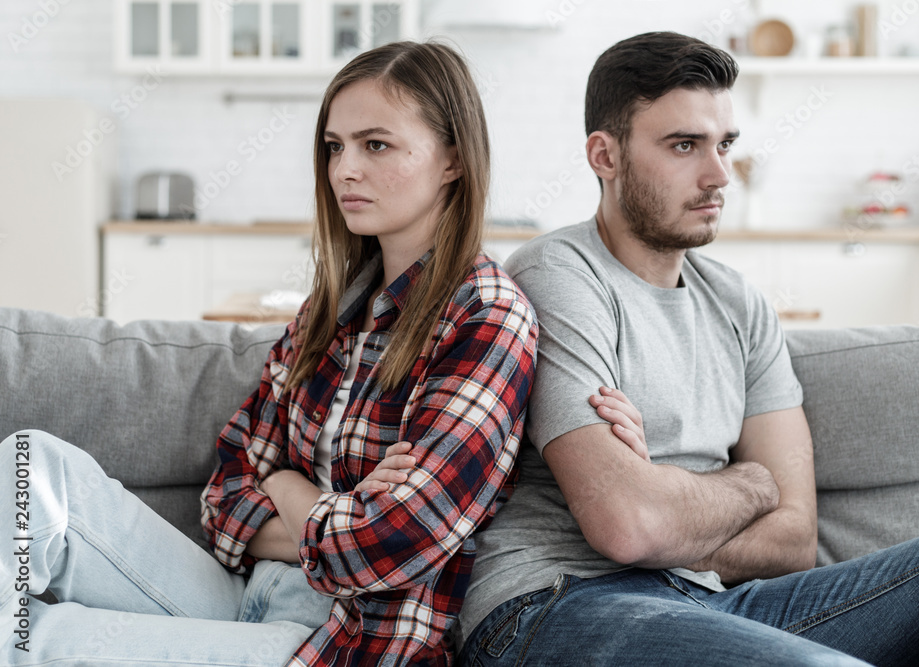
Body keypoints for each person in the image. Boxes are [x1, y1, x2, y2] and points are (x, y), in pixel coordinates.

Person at [457, 31, 919, 666]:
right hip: (557, 600)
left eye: (725, 145)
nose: (718, 175)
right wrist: (749, 484)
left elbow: (794, 539)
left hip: (707, 603)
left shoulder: (741, 305)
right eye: (683, 146)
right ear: (604, 156)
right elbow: (626, 524)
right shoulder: (558, 276)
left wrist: (667, 507)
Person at [0, 41, 537, 666]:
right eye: (335, 147)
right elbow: (225, 489)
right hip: (244, 596)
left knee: (39, 637)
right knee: (30, 465)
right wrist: (320, 500)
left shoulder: (486, 316)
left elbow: (385, 544)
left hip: (342, 643)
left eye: (376, 145)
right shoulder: (329, 311)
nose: (344, 170)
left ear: (452, 160)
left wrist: (287, 486)